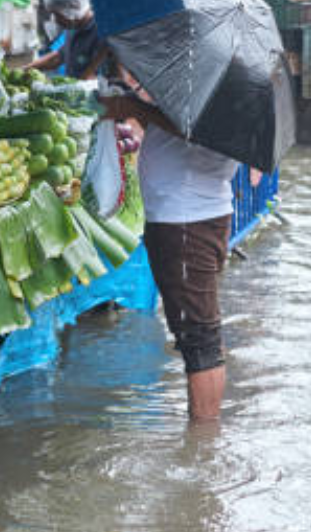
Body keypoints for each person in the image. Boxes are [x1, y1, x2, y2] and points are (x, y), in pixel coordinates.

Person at [99, 89, 239, 422]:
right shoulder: (211, 77)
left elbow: (204, 131)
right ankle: (202, 432)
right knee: (197, 333)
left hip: (187, 218)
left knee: (200, 338)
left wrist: (135, 108)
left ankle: (203, 446)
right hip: (187, 213)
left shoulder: (221, 86)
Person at [26, 0, 115, 80]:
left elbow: (93, 79)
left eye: (57, 15)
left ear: (73, 9)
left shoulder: (101, 34)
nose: (55, 20)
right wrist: (25, 69)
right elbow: (59, 57)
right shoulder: (73, 27)